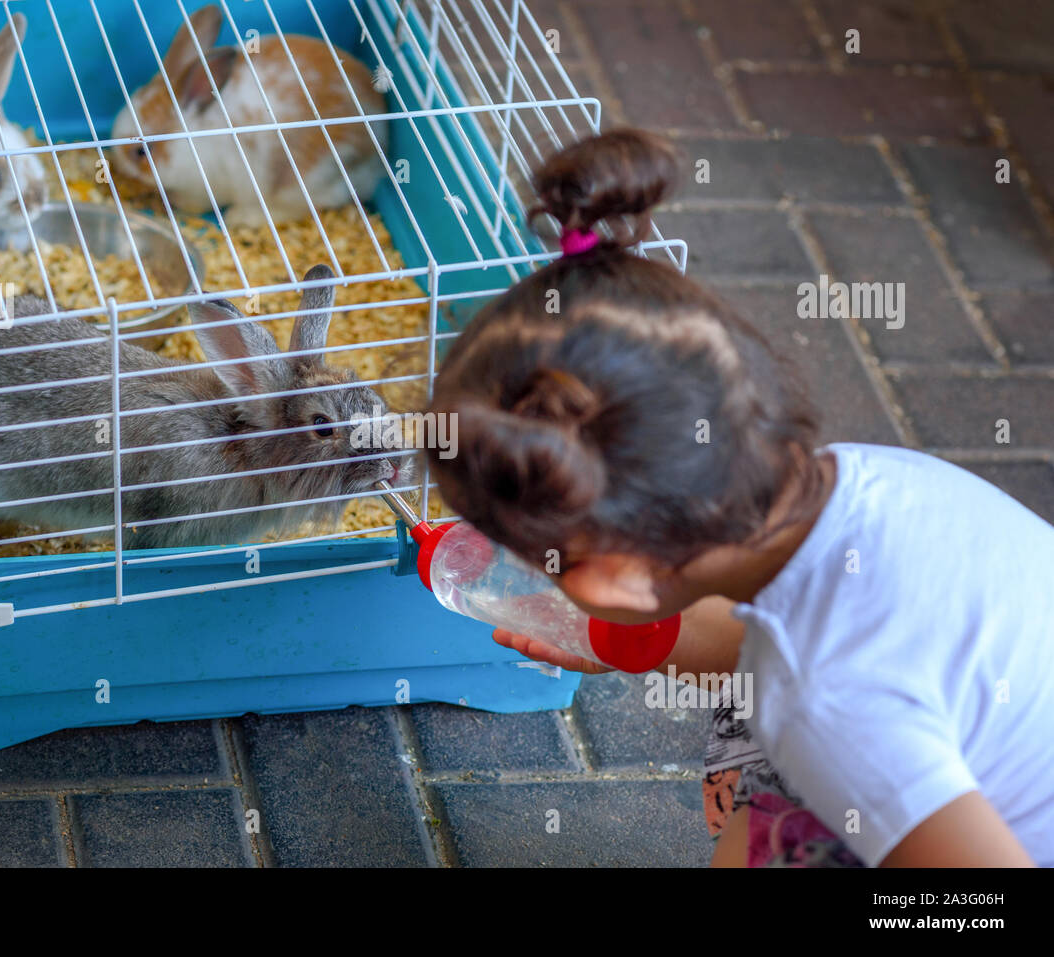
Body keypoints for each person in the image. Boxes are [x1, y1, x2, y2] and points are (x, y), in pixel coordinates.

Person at [424, 128, 1053, 867]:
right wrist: (638, 639)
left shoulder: (822, 700)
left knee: (764, 827)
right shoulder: (862, 481)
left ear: (613, 577)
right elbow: (775, 638)